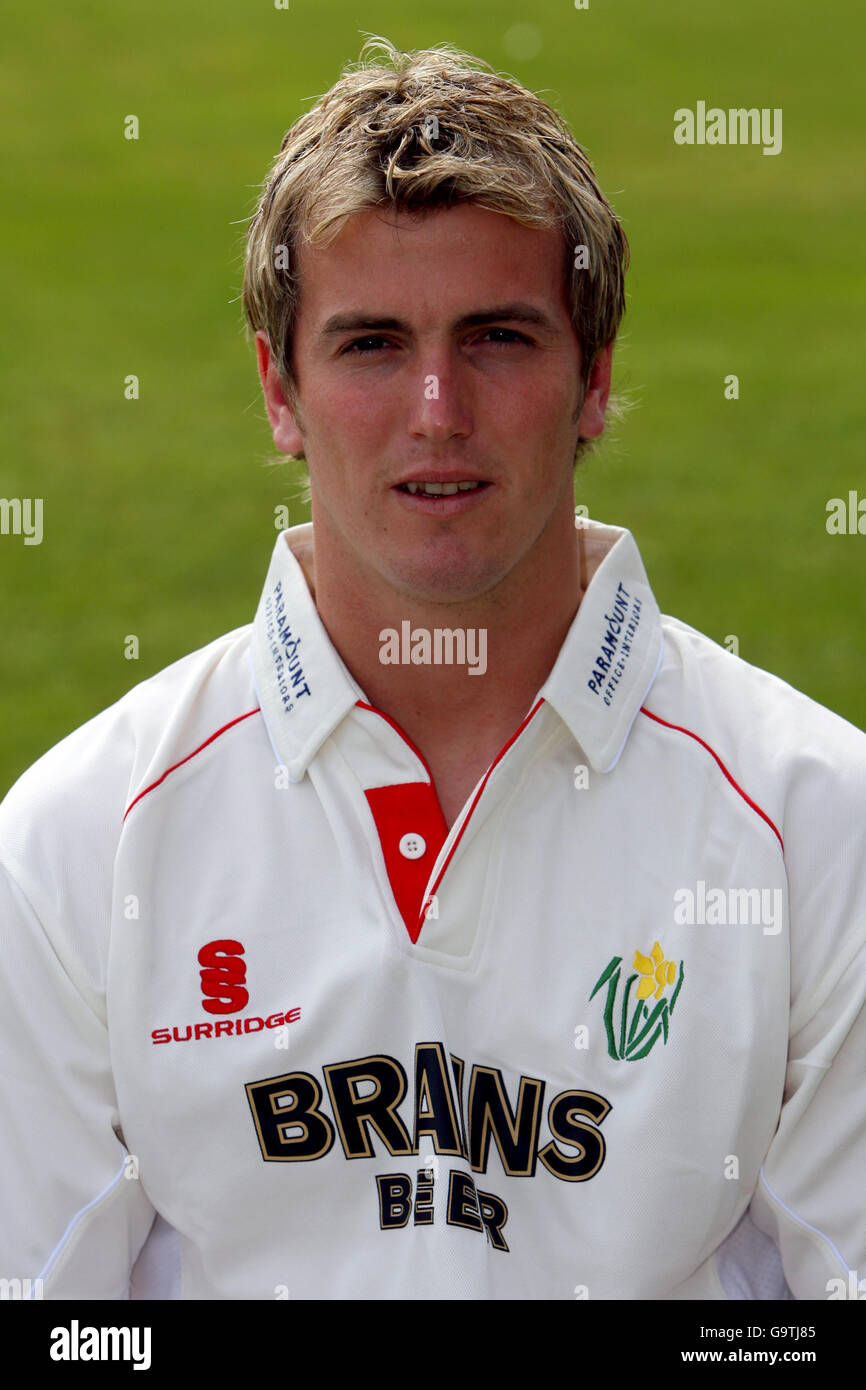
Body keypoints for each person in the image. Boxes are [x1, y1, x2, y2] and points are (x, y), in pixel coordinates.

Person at [1, 36, 864, 1303]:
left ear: (594, 376)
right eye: (367, 344)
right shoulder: (74, 845)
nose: (435, 409)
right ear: (277, 389)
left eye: (498, 338)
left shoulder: (818, 825)